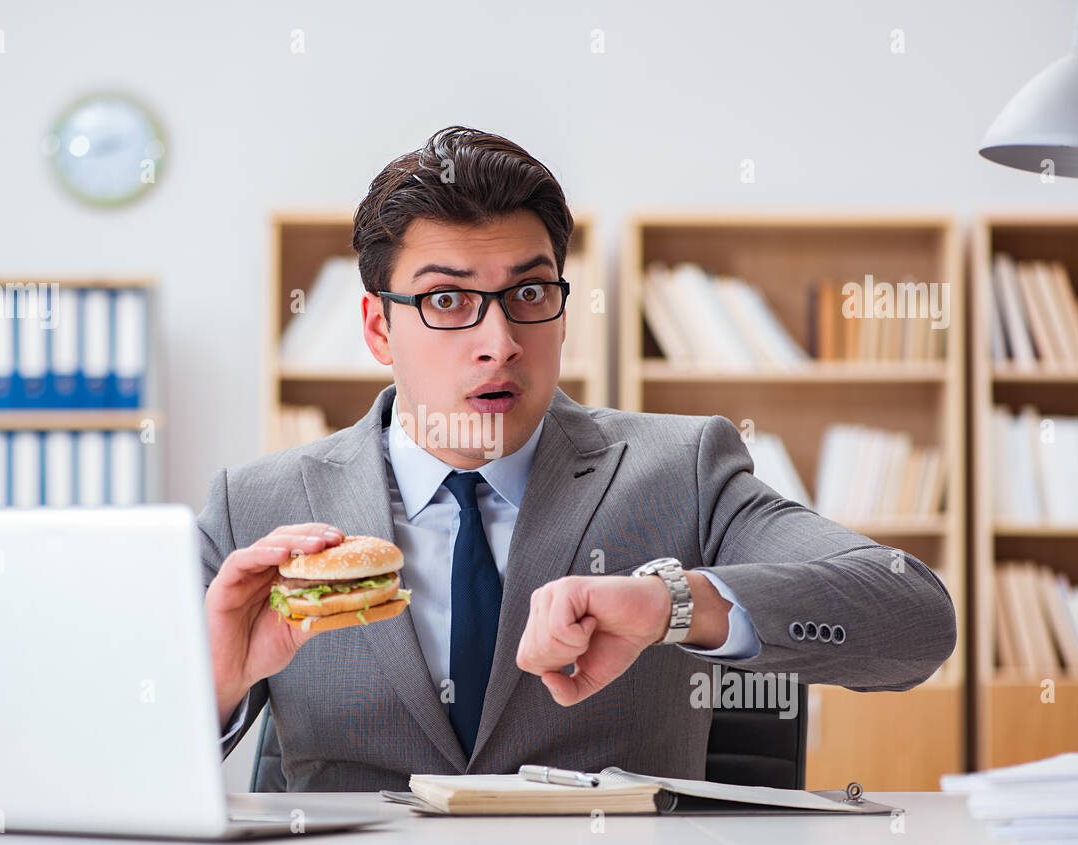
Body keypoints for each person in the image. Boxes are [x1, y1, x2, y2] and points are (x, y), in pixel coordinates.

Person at [198, 126, 956, 792]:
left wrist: (677, 604)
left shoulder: (680, 471)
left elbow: (915, 621)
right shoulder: (256, 508)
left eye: (528, 292)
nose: (499, 340)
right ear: (377, 329)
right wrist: (214, 685)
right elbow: (106, 758)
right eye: (448, 301)